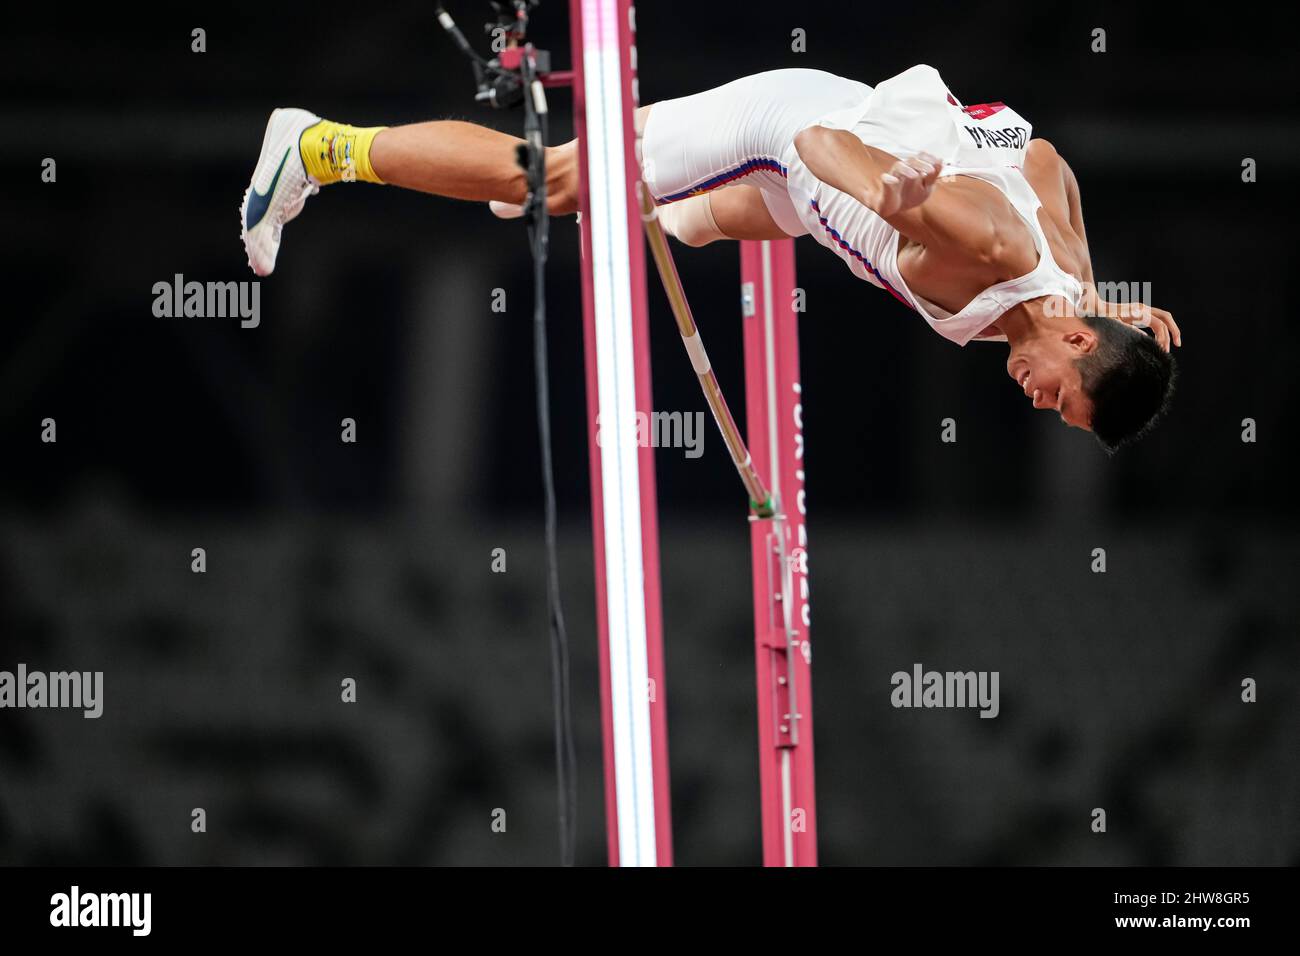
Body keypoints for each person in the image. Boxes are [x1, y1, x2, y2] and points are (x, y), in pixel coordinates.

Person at [240, 65, 1179, 451]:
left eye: (1054, 409)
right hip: (786, 137)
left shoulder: (1060, 297)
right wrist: (882, 188)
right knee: (553, 184)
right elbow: (815, 147)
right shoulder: (993, 243)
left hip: (805, 215)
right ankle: (319, 147)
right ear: (1079, 346)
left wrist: (1095, 297)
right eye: (1059, 393)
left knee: (675, 223)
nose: (1035, 398)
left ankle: (638, 199)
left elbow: (1049, 163)